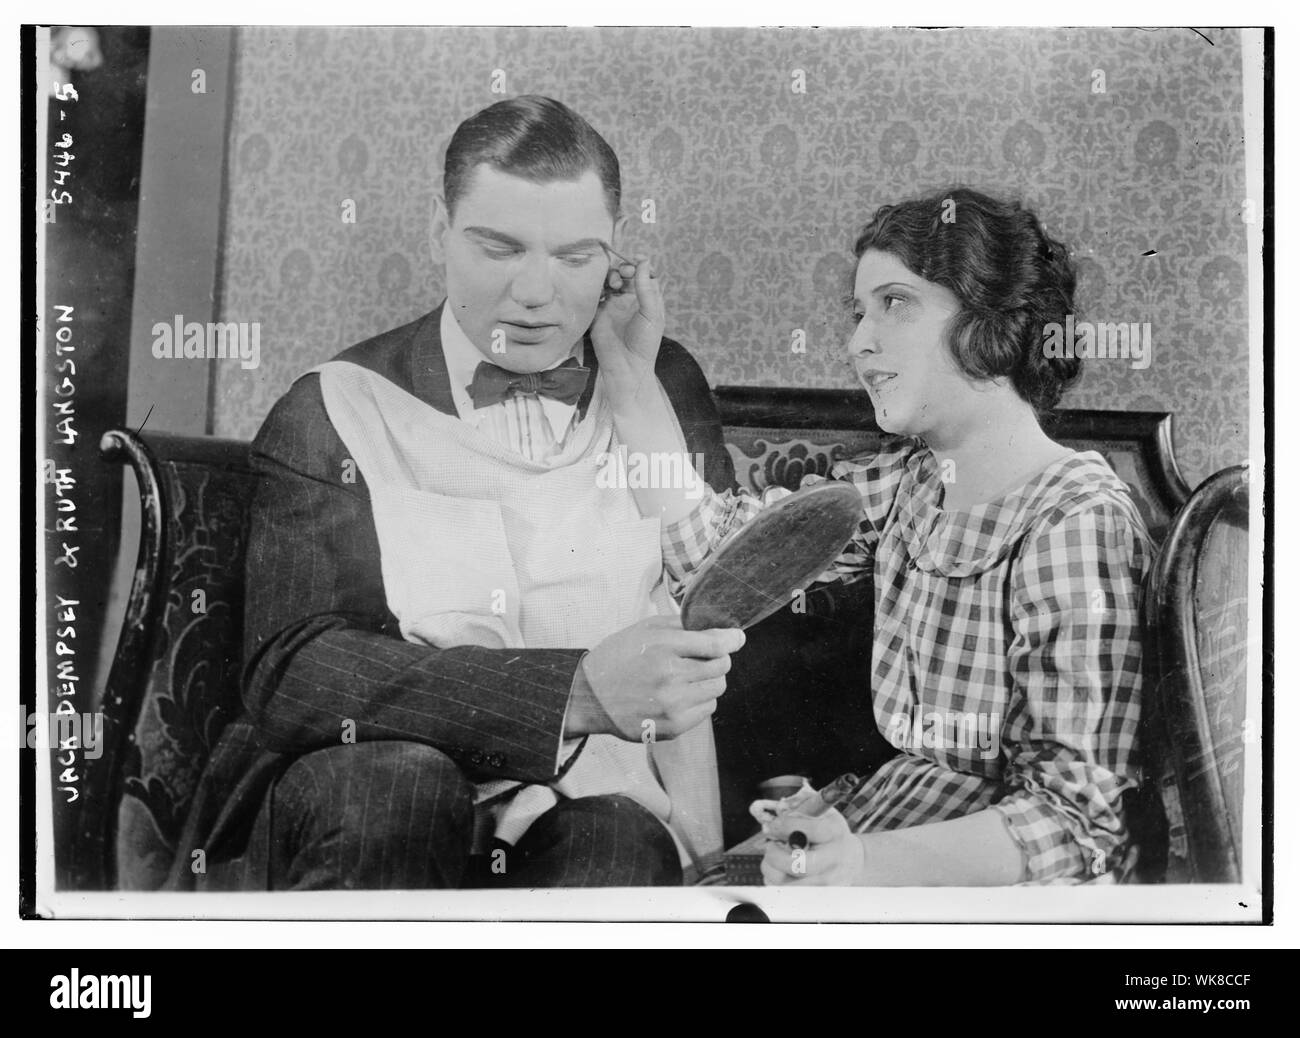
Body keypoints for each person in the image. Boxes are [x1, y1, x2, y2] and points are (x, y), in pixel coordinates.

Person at [166, 95, 747, 891]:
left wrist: (631, 384)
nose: (537, 293)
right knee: (401, 789)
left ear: (616, 257)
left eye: (576, 257)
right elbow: (295, 673)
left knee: (618, 845)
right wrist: (568, 691)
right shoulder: (335, 404)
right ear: (439, 237)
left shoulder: (660, 381)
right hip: (372, 784)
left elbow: (715, 597)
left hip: (592, 784)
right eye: (499, 248)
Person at [595, 187, 1153, 885]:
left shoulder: (1075, 516)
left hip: (1012, 883)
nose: (858, 340)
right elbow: (717, 559)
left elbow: (1076, 822)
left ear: (991, 320)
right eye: (859, 311)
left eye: (895, 303)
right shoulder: (908, 482)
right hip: (896, 814)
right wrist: (625, 373)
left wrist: (859, 862)